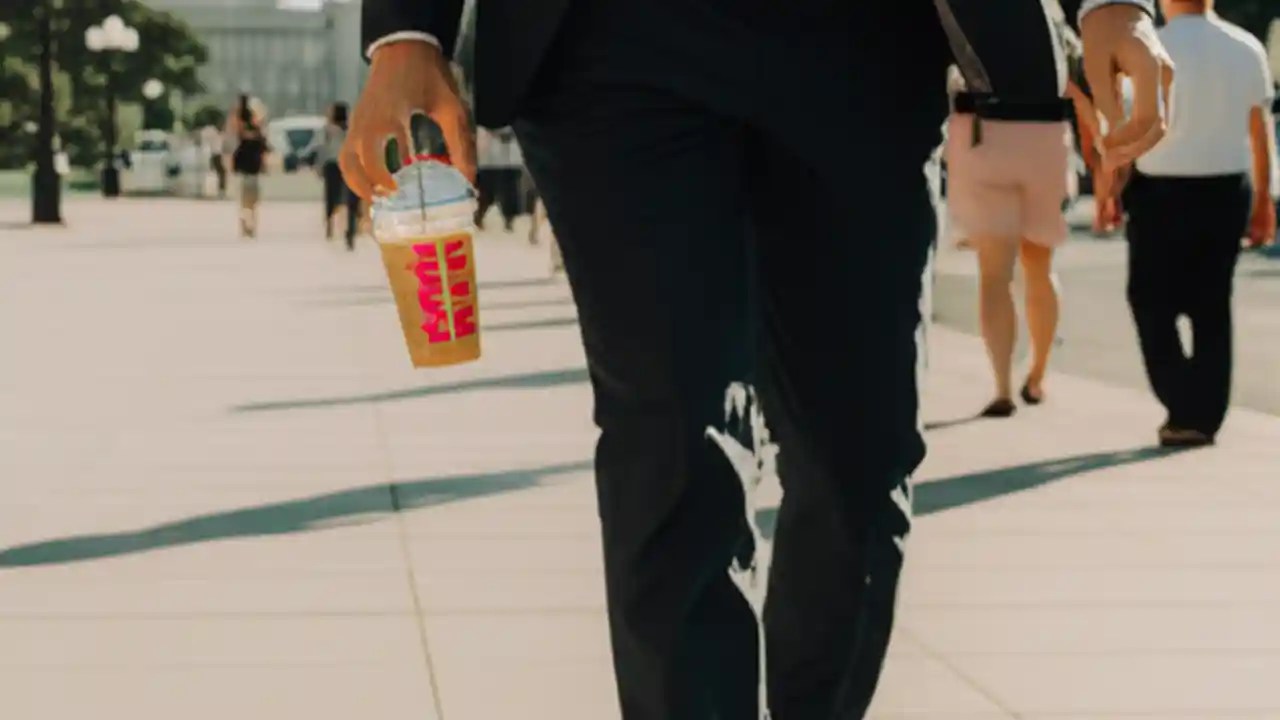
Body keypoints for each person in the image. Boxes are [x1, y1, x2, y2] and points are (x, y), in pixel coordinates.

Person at [342, 0, 1172, 717]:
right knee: (672, 449)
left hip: (861, 53)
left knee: (860, 462)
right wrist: (409, 31)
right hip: (614, 56)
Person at [1120, 0, 1276, 448]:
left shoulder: (1149, 48)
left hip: (1157, 191)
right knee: (1212, 306)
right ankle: (1201, 416)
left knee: (1150, 301)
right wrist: (1264, 199)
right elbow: (1258, 131)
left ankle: (1183, 402)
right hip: (1226, 188)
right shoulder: (1245, 48)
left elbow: (1132, 127)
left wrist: (1113, 188)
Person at [943, 18, 1102, 417]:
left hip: (981, 138)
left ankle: (1001, 387)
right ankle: (1038, 374)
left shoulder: (969, 17)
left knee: (994, 274)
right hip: (1045, 140)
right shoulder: (1046, 16)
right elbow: (1079, 91)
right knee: (1039, 265)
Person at [318, 102, 362, 249]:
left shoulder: (329, 130)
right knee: (351, 199)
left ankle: (330, 226)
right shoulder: (352, 129)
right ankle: (351, 229)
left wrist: (319, 166)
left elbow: (323, 150)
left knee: (331, 196)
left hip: (332, 165)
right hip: (349, 165)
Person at [229, 95, 269, 239]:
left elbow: (234, 125)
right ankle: (249, 226)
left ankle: (246, 225)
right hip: (252, 169)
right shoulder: (258, 135)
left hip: (245, 169)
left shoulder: (242, 133)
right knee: (251, 202)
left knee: (246, 201)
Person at [474, 125, 525, 231]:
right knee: (488, 189)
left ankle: (509, 219)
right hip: (491, 154)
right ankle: (480, 215)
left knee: (510, 188)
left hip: (509, 154)